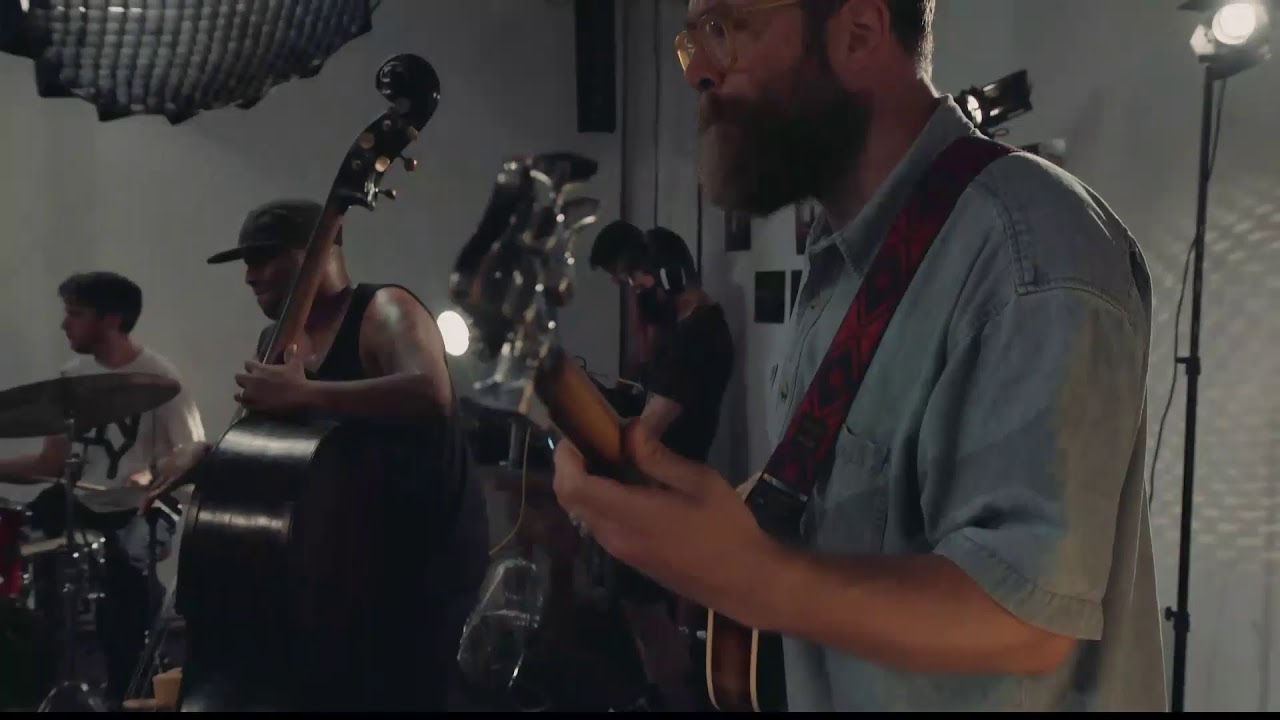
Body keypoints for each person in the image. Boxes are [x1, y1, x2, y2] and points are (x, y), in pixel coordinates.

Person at [552, 0, 1165, 713]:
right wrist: (692, 520)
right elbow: (838, 513)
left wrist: (749, 575)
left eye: (724, 27)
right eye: (692, 40)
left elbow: (1024, 616)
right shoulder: (843, 256)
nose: (698, 71)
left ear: (859, 32)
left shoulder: (1032, 248)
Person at [140, 198, 491, 712]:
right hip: (343, 560)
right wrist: (208, 456)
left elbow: (431, 395)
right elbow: (288, 454)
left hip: (422, 553)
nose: (250, 277)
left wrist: (306, 393)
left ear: (317, 253)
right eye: (246, 263)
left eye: (263, 259)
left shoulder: (383, 309)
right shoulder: (278, 339)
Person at [0, 271, 206, 709]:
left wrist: (149, 476)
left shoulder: (162, 381)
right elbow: (50, 465)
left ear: (111, 320)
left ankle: (124, 691)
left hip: (142, 508)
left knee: (125, 573)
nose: (64, 324)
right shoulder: (71, 378)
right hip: (83, 502)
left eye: (74, 314)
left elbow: (189, 456)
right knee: (29, 534)